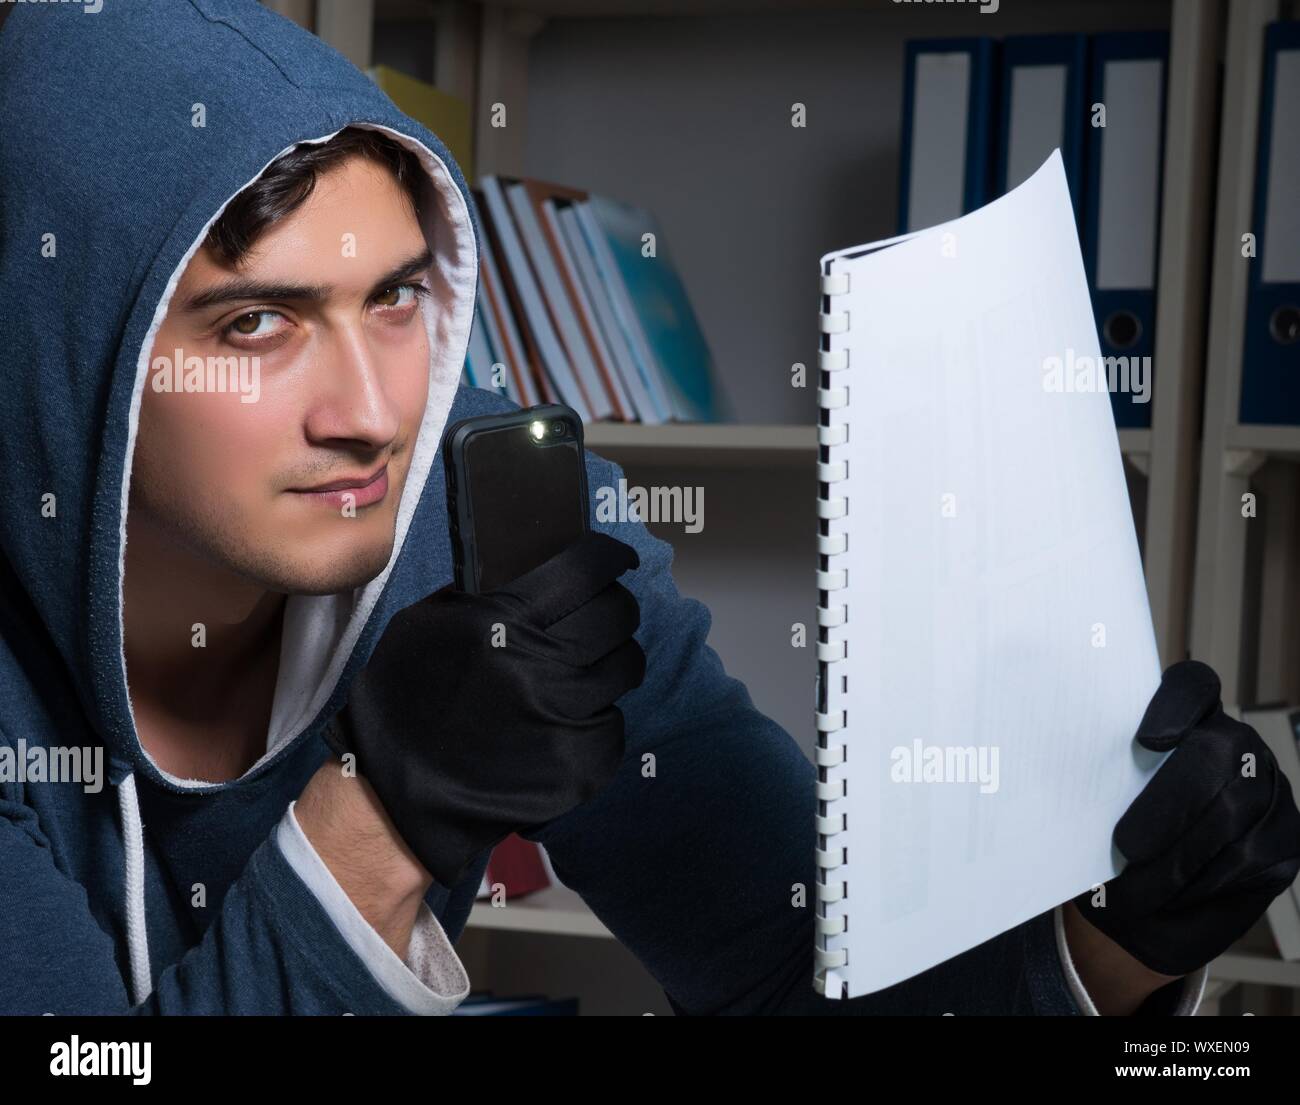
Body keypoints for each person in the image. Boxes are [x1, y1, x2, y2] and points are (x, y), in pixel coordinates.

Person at [1, 0, 1296, 1017]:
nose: (371, 411)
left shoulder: (491, 527)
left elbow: (794, 979)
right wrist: (378, 823)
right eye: (260, 322)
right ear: (67, 350)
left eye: (396, 298)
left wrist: (1113, 944)